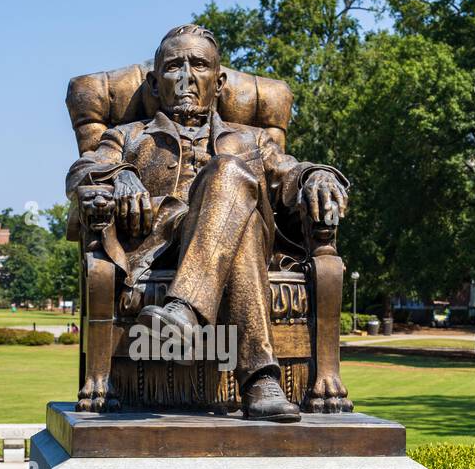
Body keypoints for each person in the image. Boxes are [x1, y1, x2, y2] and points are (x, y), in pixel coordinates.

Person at [66, 25, 347, 421]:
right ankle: (261, 383)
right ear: (153, 81)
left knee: (229, 173)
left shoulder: (251, 140)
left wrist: (316, 175)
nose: (185, 78)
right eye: (173, 66)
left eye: (198, 65)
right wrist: (120, 174)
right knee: (239, 215)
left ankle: (183, 312)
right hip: (162, 246)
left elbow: (289, 173)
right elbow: (82, 172)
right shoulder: (126, 135)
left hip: (243, 235)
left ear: (219, 82)